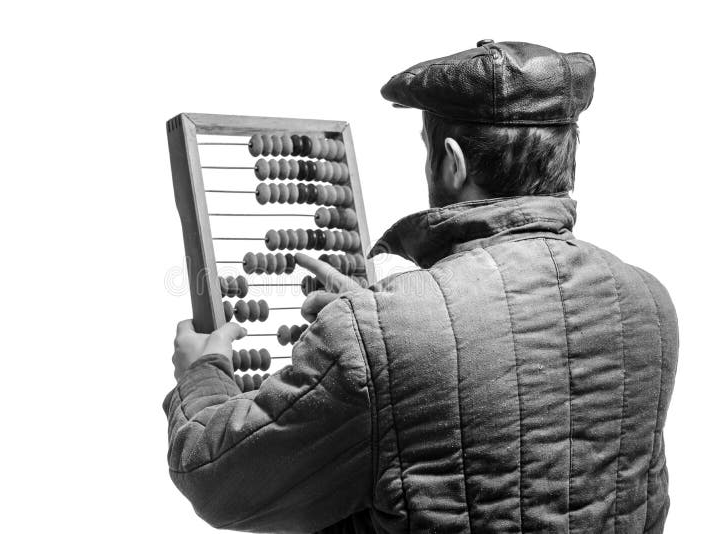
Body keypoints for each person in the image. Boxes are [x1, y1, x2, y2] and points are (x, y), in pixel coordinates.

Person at [164, 40, 678, 533]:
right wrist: (378, 328)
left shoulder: (382, 333)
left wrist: (202, 374)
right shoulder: (648, 304)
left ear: (452, 161)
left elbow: (218, 478)